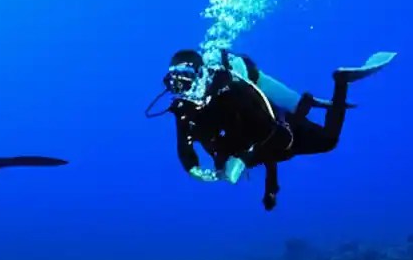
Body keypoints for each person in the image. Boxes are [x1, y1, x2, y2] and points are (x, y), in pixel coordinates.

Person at [153, 48, 396, 210]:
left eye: (186, 78)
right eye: (174, 82)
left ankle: (341, 82)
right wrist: (195, 171)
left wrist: (245, 159)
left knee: (329, 140)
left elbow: (269, 133)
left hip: (284, 131)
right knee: (309, 139)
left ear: (201, 74)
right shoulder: (184, 111)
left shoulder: (233, 92)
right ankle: (326, 91)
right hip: (266, 147)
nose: (181, 88)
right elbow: (184, 148)